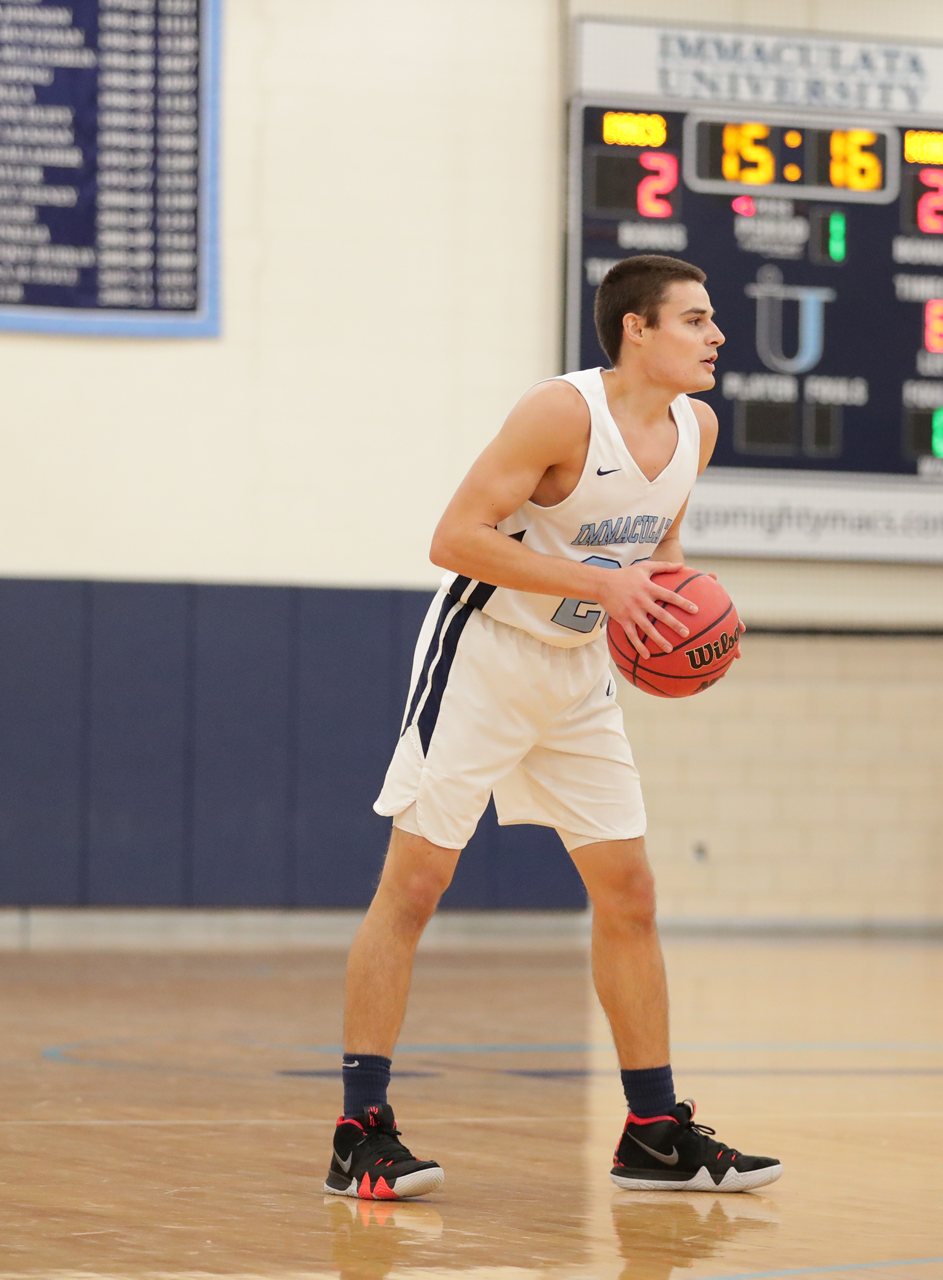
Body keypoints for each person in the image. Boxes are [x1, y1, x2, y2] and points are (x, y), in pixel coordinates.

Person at [328, 254, 781, 1200]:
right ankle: (359, 1132)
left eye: (712, 322)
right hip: (484, 656)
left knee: (631, 892)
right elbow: (454, 539)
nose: (717, 337)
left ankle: (652, 1130)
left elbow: (657, 550)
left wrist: (661, 613)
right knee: (414, 885)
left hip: (578, 673)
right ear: (637, 331)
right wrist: (603, 586)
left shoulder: (696, 427)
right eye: (696, 320)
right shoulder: (561, 414)